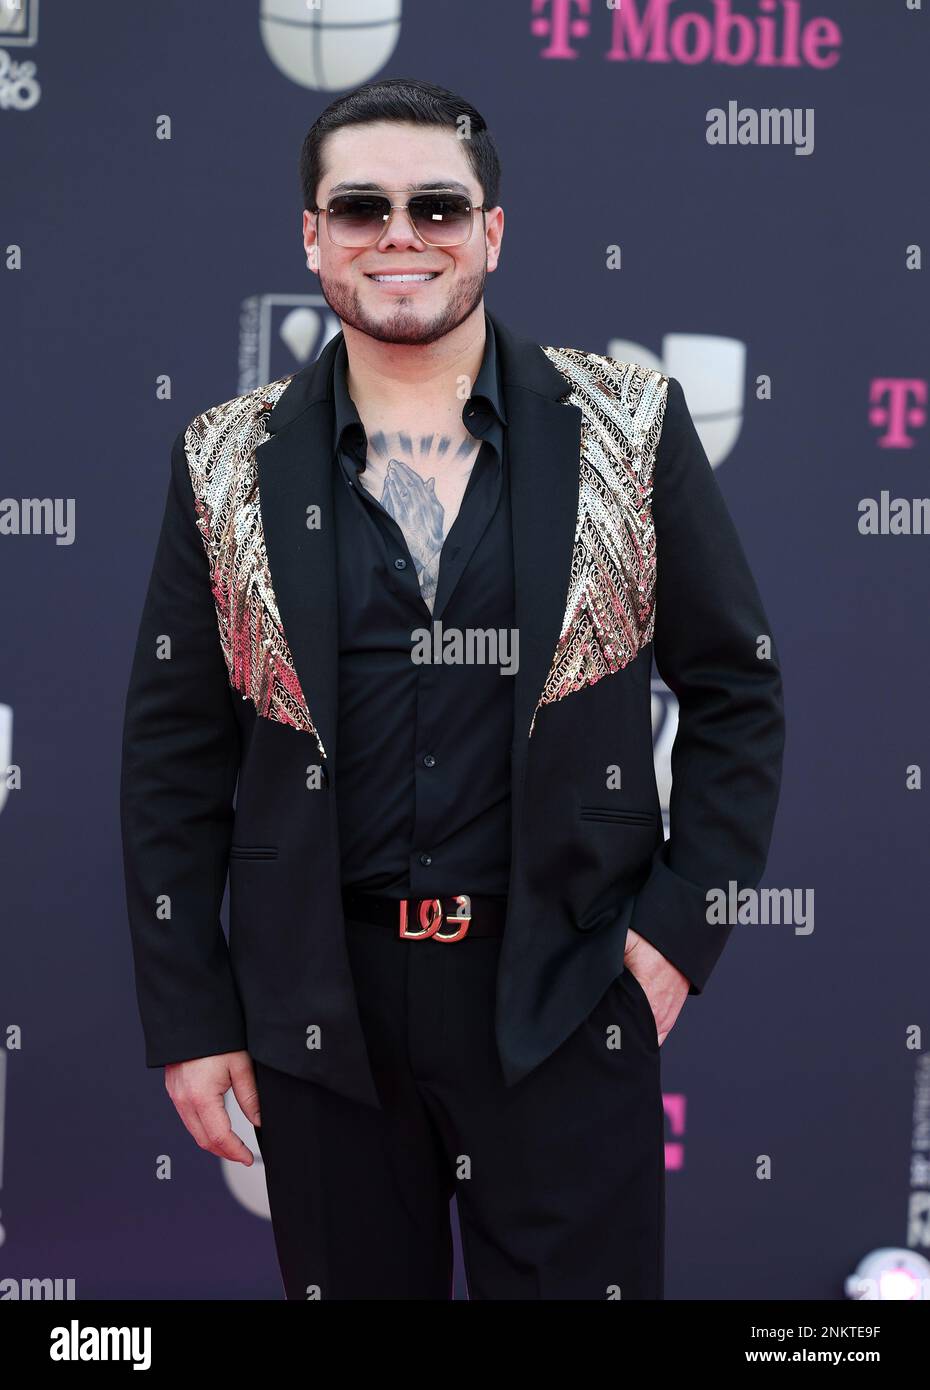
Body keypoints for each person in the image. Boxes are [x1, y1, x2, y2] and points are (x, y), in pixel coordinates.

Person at [120, 76, 785, 1300]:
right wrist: (193, 1017)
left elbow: (737, 693)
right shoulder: (222, 459)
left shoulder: (627, 424)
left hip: (564, 989)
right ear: (311, 235)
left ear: (492, 230)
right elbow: (174, 756)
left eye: (437, 204)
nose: (400, 234)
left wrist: (676, 936)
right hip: (324, 1009)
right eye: (360, 206)